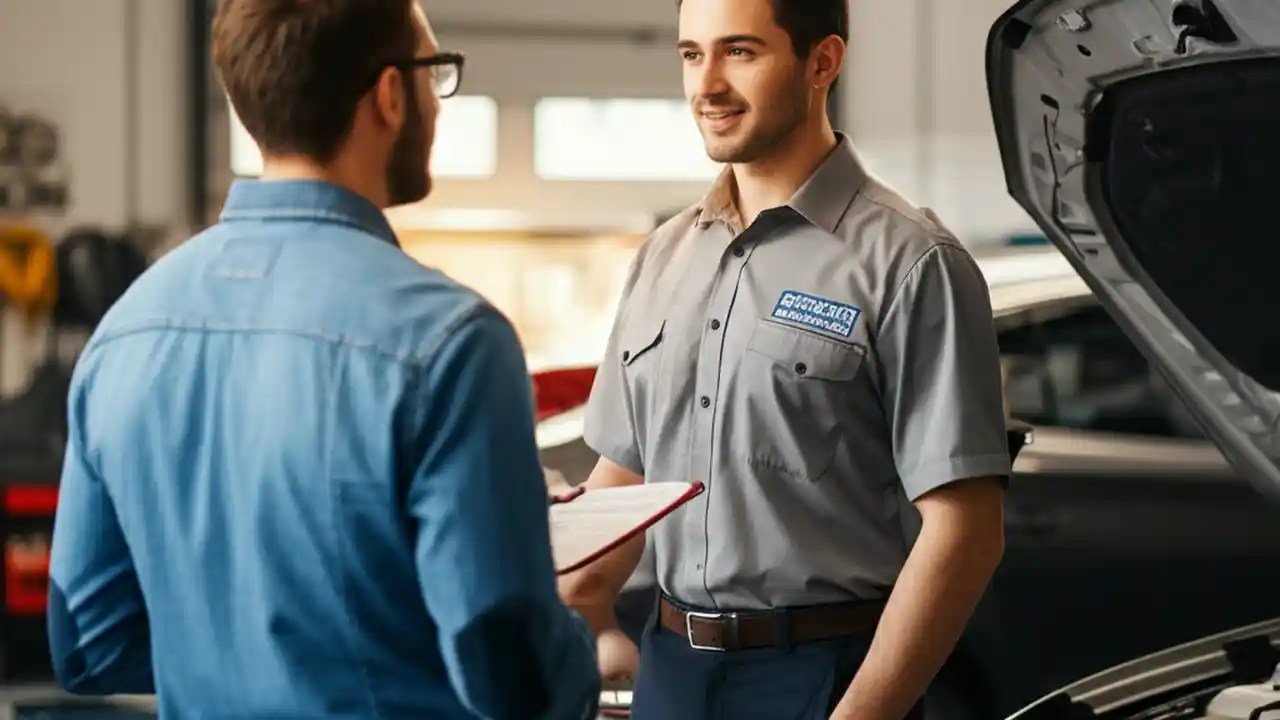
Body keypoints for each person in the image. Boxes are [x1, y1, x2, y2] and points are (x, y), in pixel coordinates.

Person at [46, 1, 599, 717]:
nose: (437, 100)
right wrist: (584, 652)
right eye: (434, 72)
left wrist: (242, 647)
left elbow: (88, 641)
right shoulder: (451, 339)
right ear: (392, 95)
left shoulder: (125, 332)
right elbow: (503, 656)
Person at [559, 0, 1010, 717]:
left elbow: (966, 529)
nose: (706, 84)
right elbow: (625, 471)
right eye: (690, 54)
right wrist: (581, 609)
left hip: (822, 675)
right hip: (672, 670)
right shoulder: (663, 256)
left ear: (822, 62)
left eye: (739, 52)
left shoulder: (910, 262)